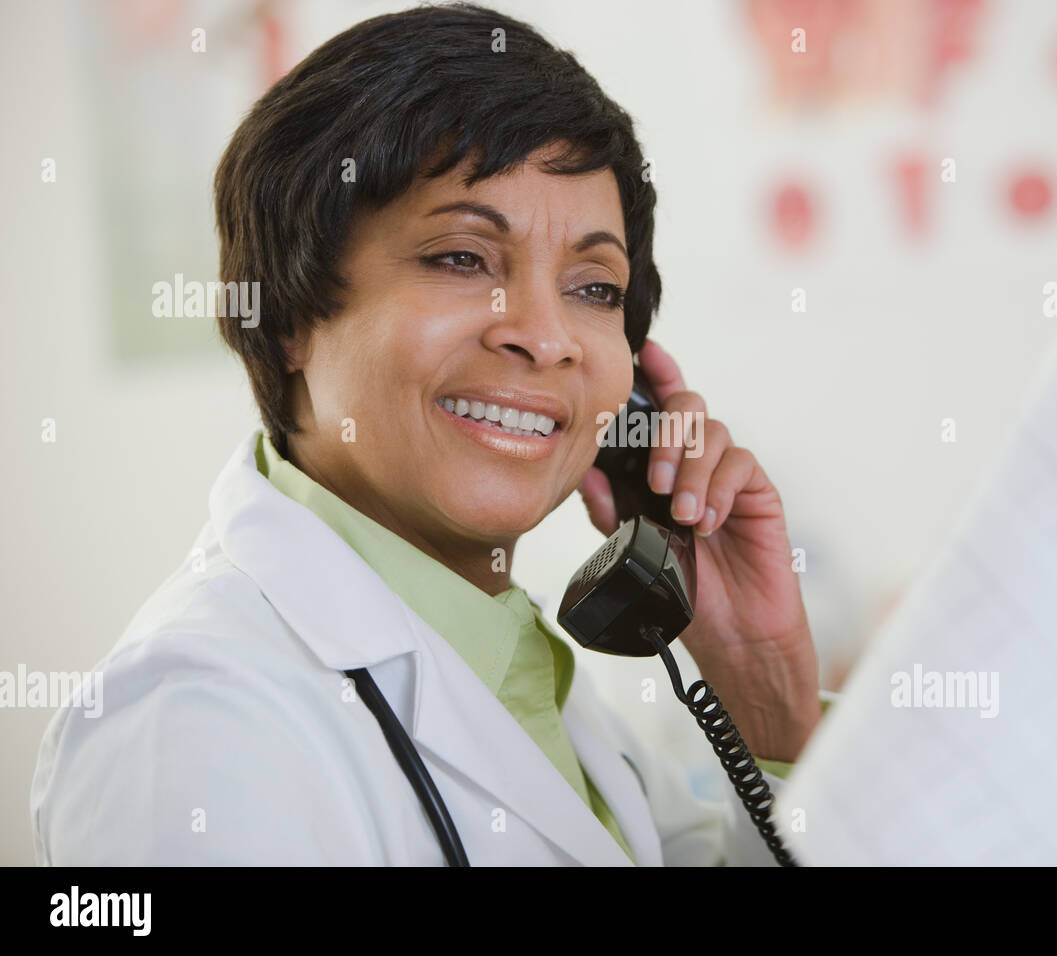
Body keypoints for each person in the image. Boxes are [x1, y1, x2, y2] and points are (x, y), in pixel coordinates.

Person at [31, 1, 824, 866]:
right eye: (461, 258)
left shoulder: (530, 680)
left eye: (593, 287)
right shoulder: (191, 723)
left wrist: (758, 682)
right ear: (291, 309)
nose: (545, 335)